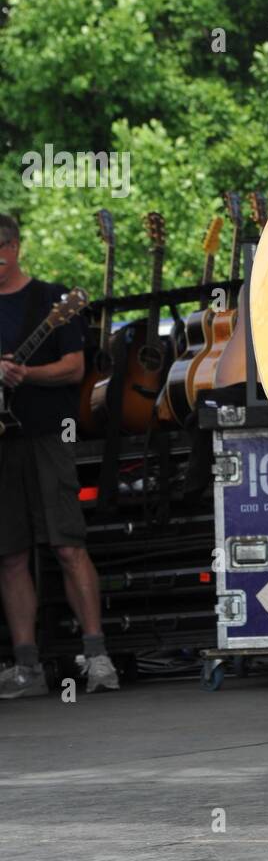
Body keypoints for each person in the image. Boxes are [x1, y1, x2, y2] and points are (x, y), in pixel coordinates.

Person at [0, 213, 119, 697]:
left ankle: (97, 658)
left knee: (68, 544)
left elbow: (75, 369)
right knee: (9, 555)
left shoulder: (54, 300)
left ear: (15, 248)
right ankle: (27, 667)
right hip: (4, 444)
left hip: (48, 435)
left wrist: (24, 375)